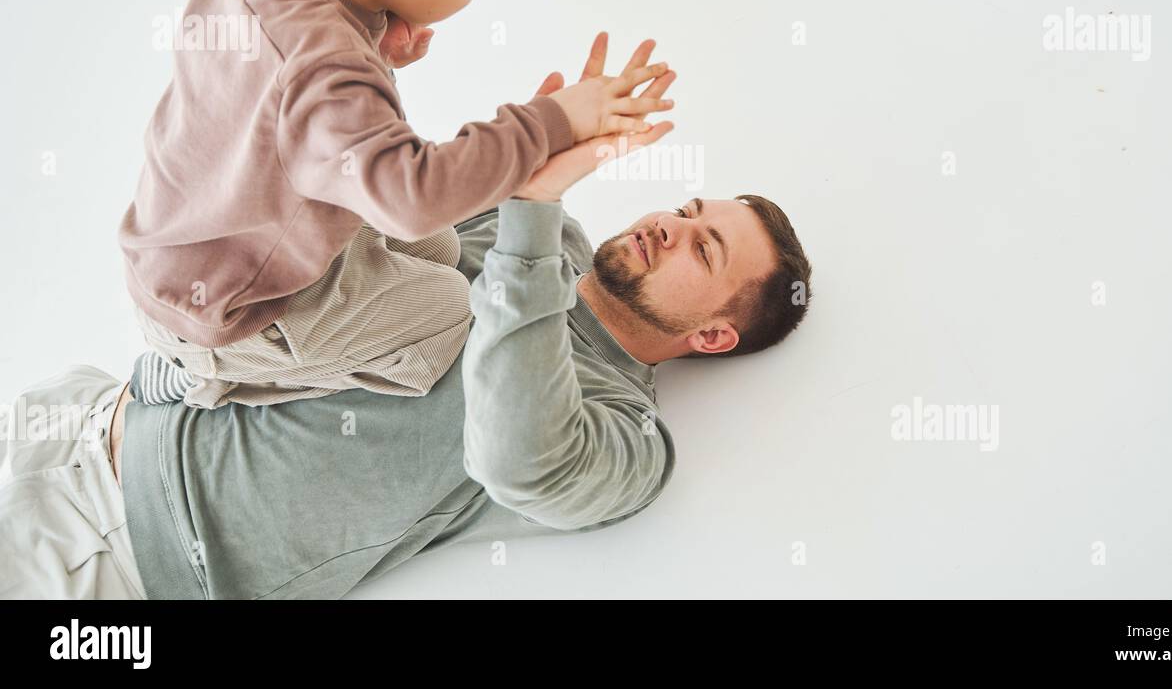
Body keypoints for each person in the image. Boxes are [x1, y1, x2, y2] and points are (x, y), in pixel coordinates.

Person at [2, 95, 813, 598]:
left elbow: (518, 457)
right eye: (688, 207)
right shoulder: (545, 232)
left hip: (114, 560)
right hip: (89, 410)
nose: (670, 225)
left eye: (702, 250)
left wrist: (531, 210)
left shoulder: (628, 438)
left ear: (712, 334)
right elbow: (360, 230)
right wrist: (523, 142)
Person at [118, 0, 672, 410]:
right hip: (235, 305)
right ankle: (207, 376)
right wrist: (550, 123)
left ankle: (227, 346)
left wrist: (370, 38)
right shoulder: (327, 71)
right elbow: (414, 197)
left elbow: (278, 89)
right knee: (448, 311)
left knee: (445, 251)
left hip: (206, 231)